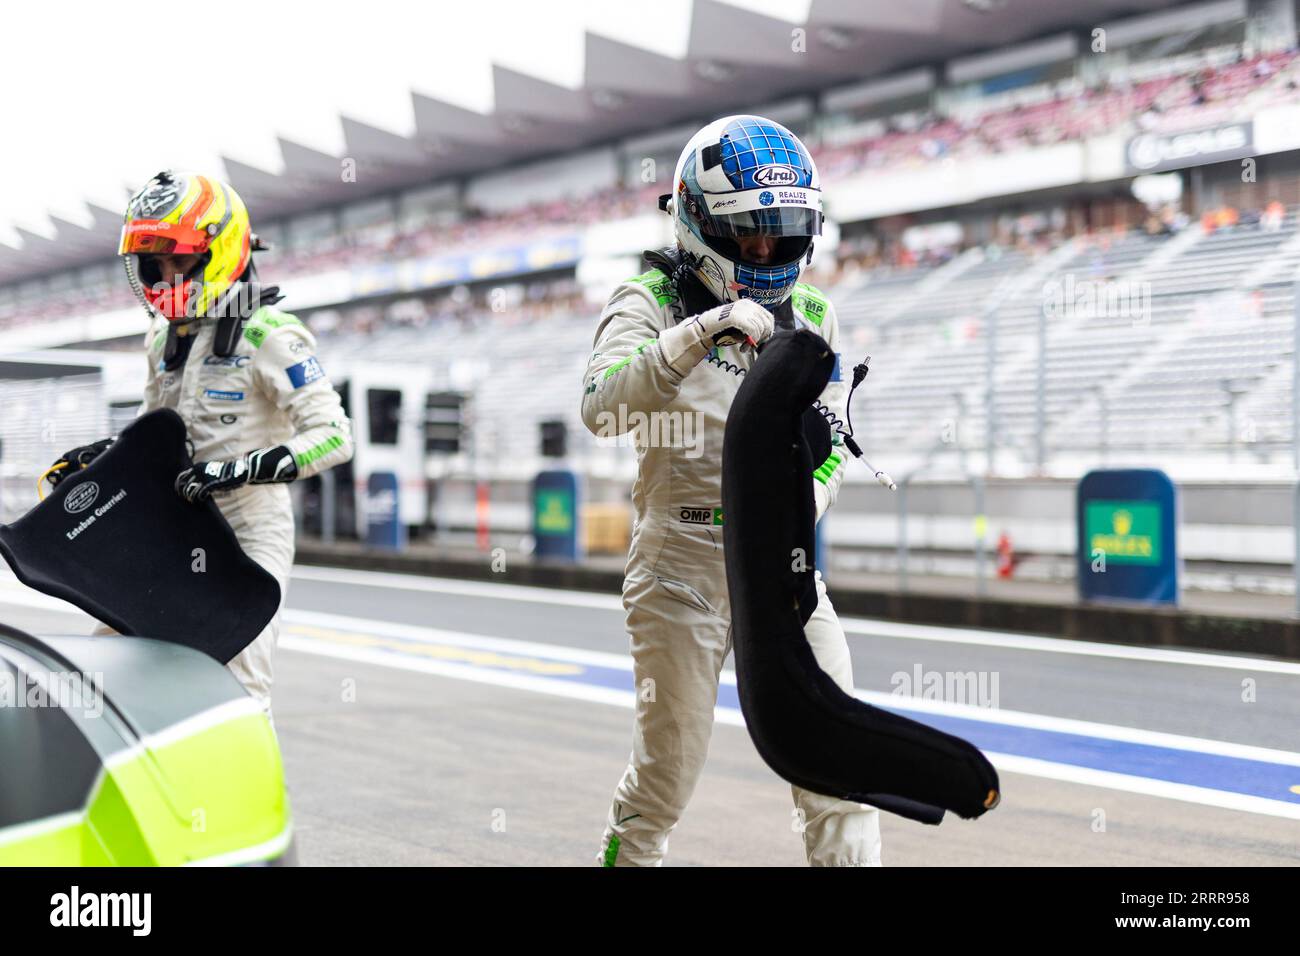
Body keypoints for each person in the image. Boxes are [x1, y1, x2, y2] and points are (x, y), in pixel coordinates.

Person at [581, 115, 881, 866]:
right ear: (698, 221)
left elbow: (833, 437)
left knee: (839, 774)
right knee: (664, 784)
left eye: (780, 236)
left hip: (782, 570)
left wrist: (801, 504)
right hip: (678, 570)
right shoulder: (647, 297)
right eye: (747, 235)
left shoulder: (814, 313)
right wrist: (697, 333)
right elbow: (602, 407)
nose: (764, 253)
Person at [46, 170, 353, 714]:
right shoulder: (163, 337)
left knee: (235, 688)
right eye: (154, 266)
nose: (166, 276)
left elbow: (333, 437)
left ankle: (247, 799)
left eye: (181, 261)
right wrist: (100, 460)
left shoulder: (268, 332)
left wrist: (240, 469)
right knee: (109, 670)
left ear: (220, 249)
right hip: (171, 527)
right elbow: (151, 433)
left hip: (249, 531)